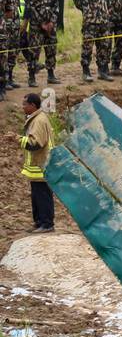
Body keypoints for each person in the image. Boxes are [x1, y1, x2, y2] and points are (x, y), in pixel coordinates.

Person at [72, 0, 112, 82]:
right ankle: (86, 71)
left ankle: (102, 71)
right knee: (87, 46)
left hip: (104, 22)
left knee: (104, 46)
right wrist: (86, 10)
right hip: (90, 22)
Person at [19, 92, 54, 232]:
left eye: (24, 104)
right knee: (36, 196)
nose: (22, 107)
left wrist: (18, 139)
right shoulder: (36, 118)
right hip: (38, 166)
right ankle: (39, 222)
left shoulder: (39, 120)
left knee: (42, 195)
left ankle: (47, 224)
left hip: (42, 165)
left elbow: (35, 144)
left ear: (33, 105)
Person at [22, 0, 59, 86]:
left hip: (50, 27)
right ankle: (32, 77)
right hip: (36, 28)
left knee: (51, 50)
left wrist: (51, 22)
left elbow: (56, 7)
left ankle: (51, 75)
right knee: (34, 52)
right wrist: (41, 24)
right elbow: (30, 9)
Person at [0, 0, 22, 94]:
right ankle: (4, 79)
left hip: (15, 23)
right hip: (3, 25)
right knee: (3, 53)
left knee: (14, 50)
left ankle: (11, 77)